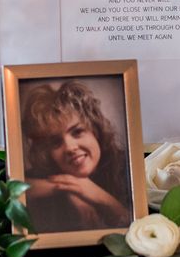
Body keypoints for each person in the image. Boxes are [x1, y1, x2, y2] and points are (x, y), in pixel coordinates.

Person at [22, 80, 130, 233]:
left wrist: (99, 196)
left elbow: (139, 224)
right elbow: (12, 188)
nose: (70, 147)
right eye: (56, 142)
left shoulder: (127, 165)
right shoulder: (45, 175)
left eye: (77, 132)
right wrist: (71, 186)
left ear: (95, 129)